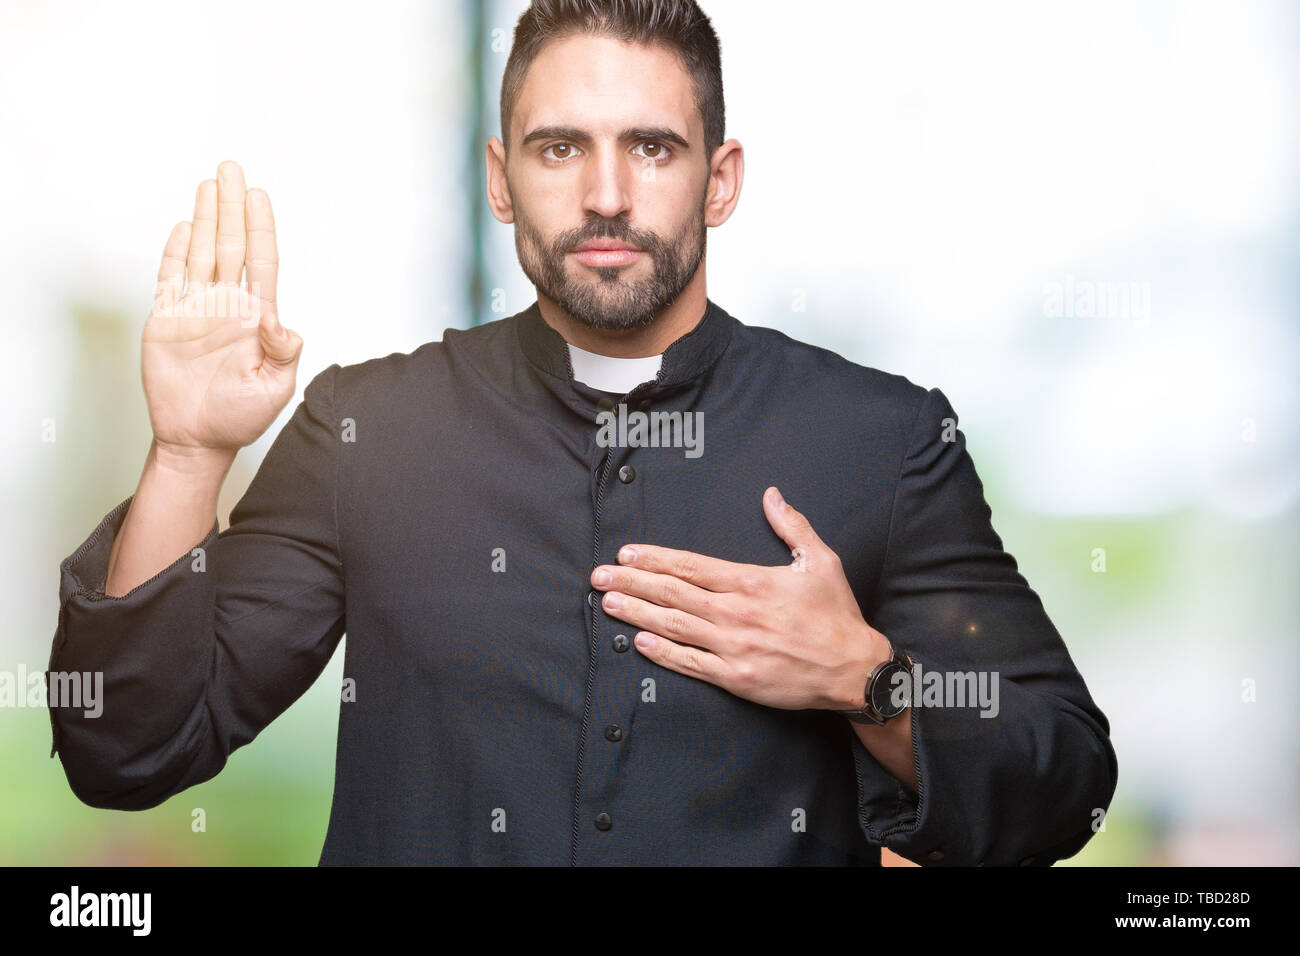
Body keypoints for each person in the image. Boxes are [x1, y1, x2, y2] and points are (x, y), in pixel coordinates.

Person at [47, 0, 1117, 866]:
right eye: (560, 148)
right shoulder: (366, 426)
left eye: (651, 147)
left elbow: (1065, 781)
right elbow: (126, 749)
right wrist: (188, 455)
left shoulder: (879, 439)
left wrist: (868, 678)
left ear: (722, 178)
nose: (606, 195)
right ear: (502, 180)